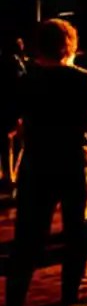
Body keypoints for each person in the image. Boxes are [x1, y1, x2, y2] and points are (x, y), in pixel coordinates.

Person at [3, 20, 87, 306]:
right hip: (77, 164)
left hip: (37, 165)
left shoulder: (25, 82)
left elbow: (11, 126)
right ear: (70, 46)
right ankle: (68, 304)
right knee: (77, 234)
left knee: (27, 239)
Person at [1, 36, 25, 198]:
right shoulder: (16, 63)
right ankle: (11, 177)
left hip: (3, 108)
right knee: (15, 143)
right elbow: (21, 86)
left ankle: (7, 175)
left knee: (4, 144)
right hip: (12, 109)